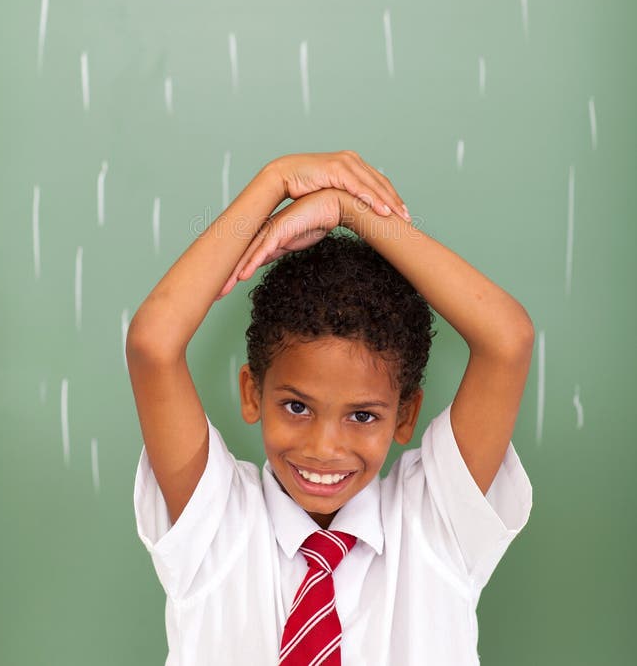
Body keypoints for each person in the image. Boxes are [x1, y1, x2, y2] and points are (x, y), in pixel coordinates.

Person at [128, 150, 533, 665]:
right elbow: (152, 344)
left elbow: (509, 339)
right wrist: (275, 181)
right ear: (252, 394)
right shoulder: (215, 526)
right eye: (297, 407)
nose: (323, 448)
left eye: (362, 416)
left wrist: (350, 212)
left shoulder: (436, 524)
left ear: (405, 415)